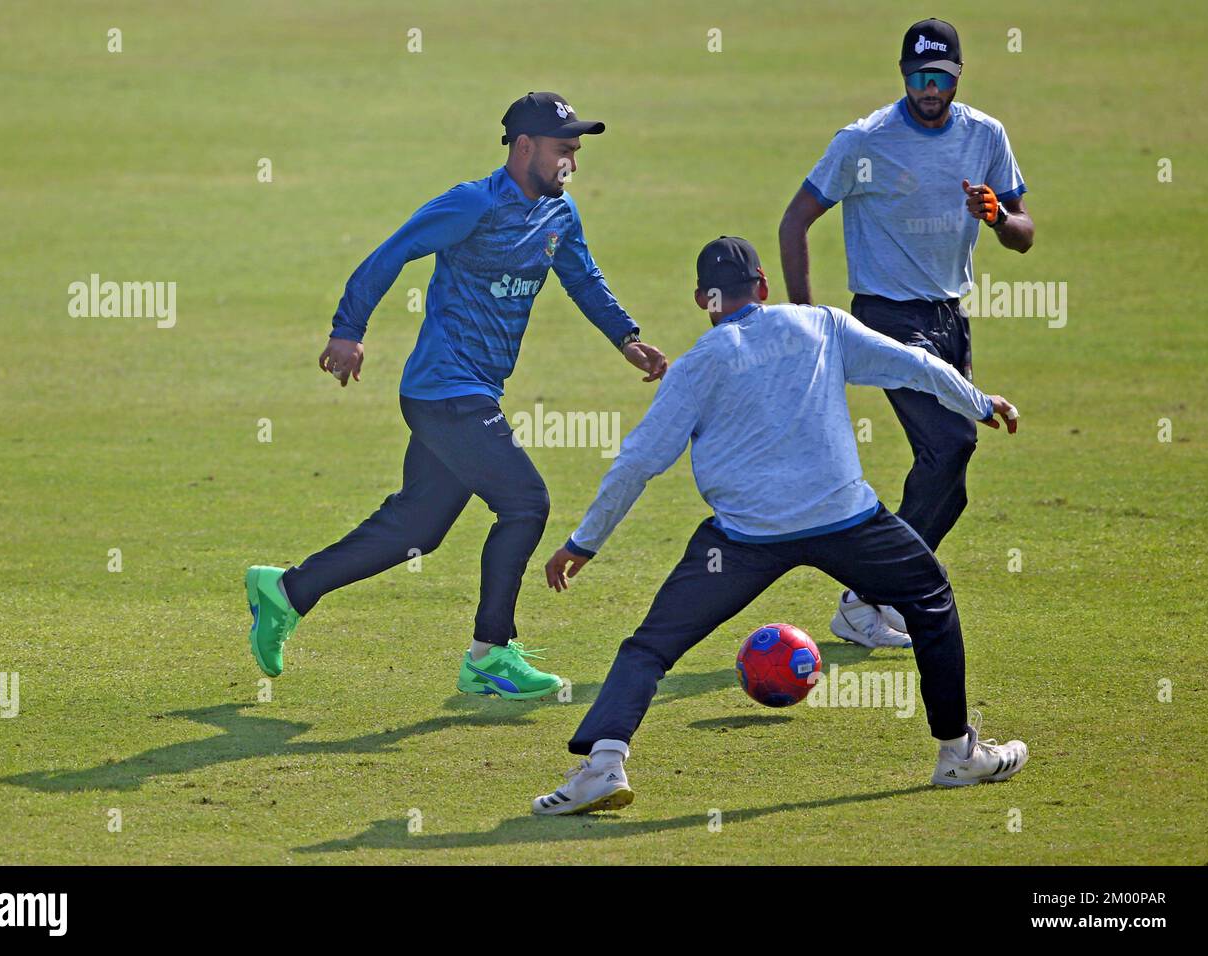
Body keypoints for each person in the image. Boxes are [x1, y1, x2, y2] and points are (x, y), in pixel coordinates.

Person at [531, 236, 1026, 816]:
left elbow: (637, 463)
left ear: (703, 300)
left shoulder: (694, 367)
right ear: (763, 286)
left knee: (651, 647)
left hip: (742, 539)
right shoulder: (820, 325)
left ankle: (603, 766)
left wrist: (583, 542)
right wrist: (976, 401)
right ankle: (957, 753)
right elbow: (915, 364)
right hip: (846, 521)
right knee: (930, 598)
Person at [246, 92, 669, 701]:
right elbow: (392, 252)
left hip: (466, 394)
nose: (571, 163)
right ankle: (489, 654)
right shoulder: (473, 203)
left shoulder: (559, 214)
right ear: (524, 148)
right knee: (525, 503)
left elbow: (584, 279)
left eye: (575, 151)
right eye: (562, 150)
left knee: (417, 528)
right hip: (446, 393)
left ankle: (285, 592)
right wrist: (348, 330)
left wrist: (627, 338)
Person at [779, 18, 1034, 648]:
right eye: (919, 77)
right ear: (902, 75)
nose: (929, 89)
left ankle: (866, 598)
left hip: (950, 318)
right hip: (887, 318)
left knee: (951, 481)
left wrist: (999, 216)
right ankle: (871, 595)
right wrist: (811, 323)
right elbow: (794, 222)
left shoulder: (985, 135)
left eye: (941, 78)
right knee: (950, 444)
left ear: (956, 77)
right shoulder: (864, 141)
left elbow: (1025, 232)